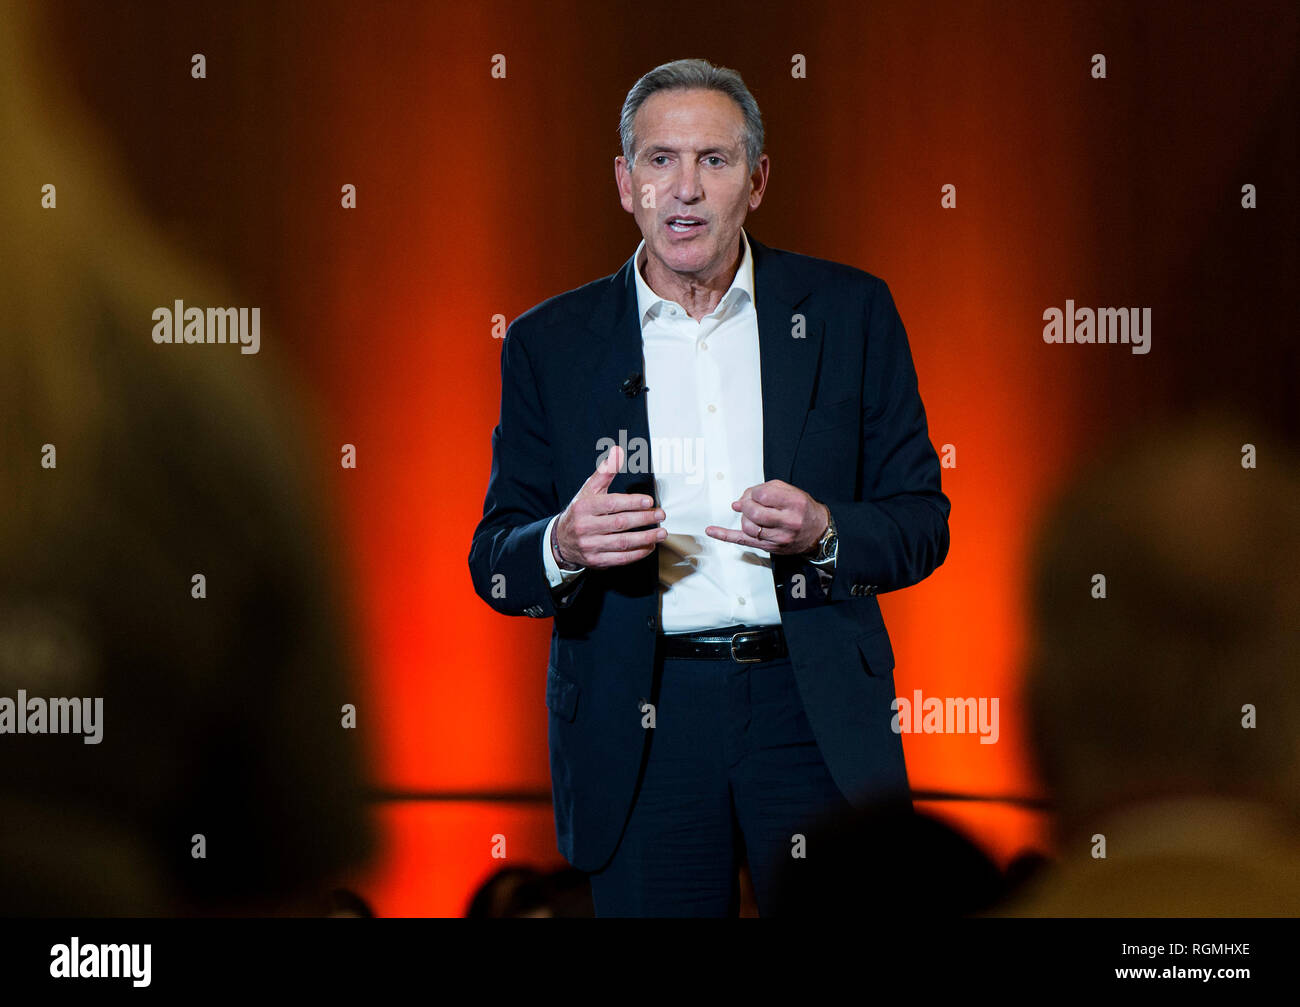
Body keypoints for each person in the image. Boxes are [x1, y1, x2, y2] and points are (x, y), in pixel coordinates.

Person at [468, 58, 949, 916]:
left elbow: (922, 519)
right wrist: (562, 544)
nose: (683, 189)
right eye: (659, 161)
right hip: (642, 722)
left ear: (756, 180)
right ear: (625, 182)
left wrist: (827, 532)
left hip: (809, 710)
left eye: (714, 161)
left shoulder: (849, 313)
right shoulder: (549, 342)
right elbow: (493, 559)